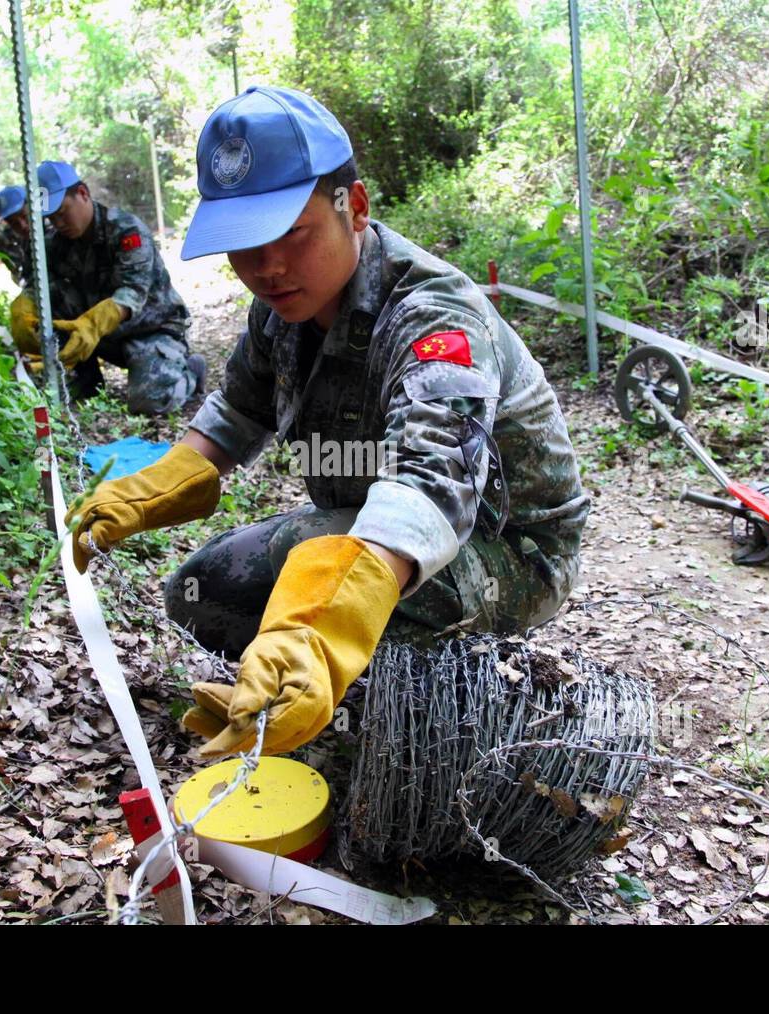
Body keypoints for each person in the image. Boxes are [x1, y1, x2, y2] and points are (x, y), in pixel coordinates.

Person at [66, 86, 589, 759]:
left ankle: (405, 710)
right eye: (244, 246)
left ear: (357, 209)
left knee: (315, 590)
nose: (267, 268)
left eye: (291, 235)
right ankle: (324, 679)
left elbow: (433, 483)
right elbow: (236, 411)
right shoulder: (282, 307)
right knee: (203, 597)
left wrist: (323, 625)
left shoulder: (433, 317)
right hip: (372, 530)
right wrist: (159, 484)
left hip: (504, 548)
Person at [8, 161, 205, 410]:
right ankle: (87, 379)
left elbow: (133, 292)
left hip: (150, 328)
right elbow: (46, 290)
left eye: (61, 213)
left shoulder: (126, 231)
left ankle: (192, 373)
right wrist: (24, 307)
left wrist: (92, 324)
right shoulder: (53, 244)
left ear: (82, 193)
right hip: (100, 339)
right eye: (50, 218)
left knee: (150, 401)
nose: (58, 224)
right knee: (48, 313)